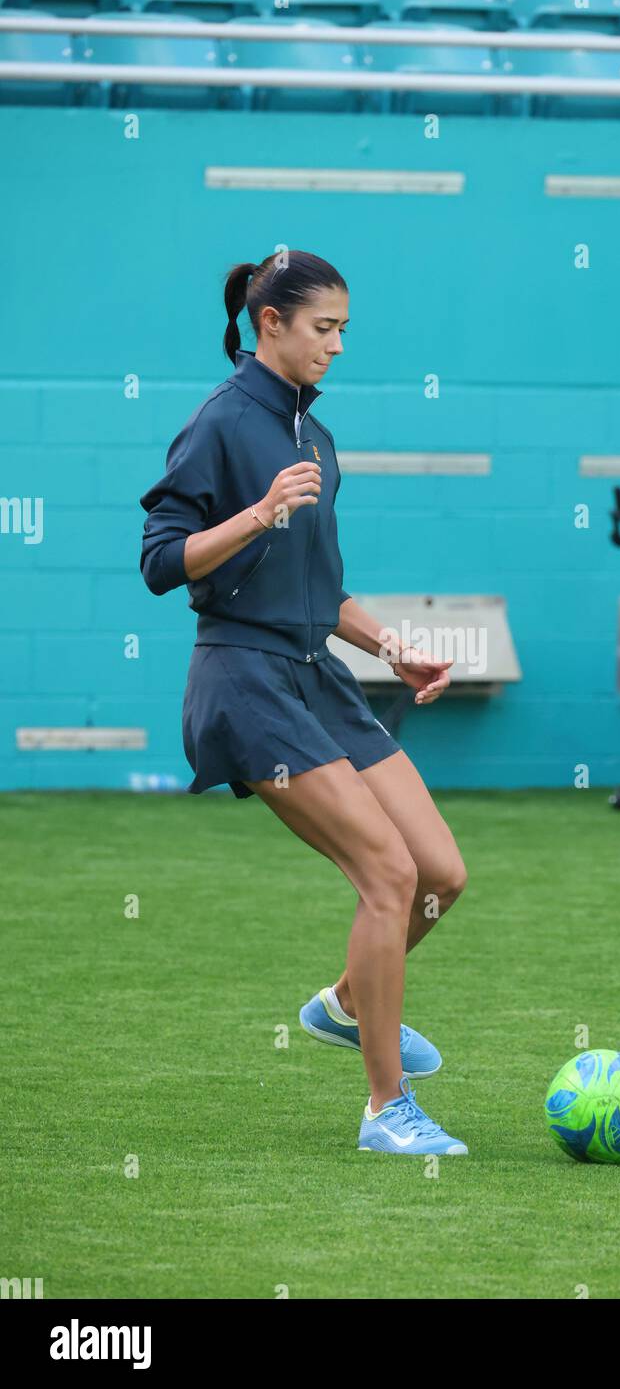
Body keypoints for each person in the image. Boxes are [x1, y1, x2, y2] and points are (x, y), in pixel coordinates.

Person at [139, 250, 469, 1155]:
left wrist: (396, 650)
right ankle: (384, 1109)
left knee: (440, 875)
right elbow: (161, 564)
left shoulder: (314, 438)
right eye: (322, 327)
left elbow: (322, 591)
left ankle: (345, 1006)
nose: (335, 345)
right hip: (242, 683)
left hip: (312, 674)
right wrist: (258, 512)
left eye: (344, 331)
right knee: (386, 875)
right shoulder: (219, 424)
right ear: (268, 322)